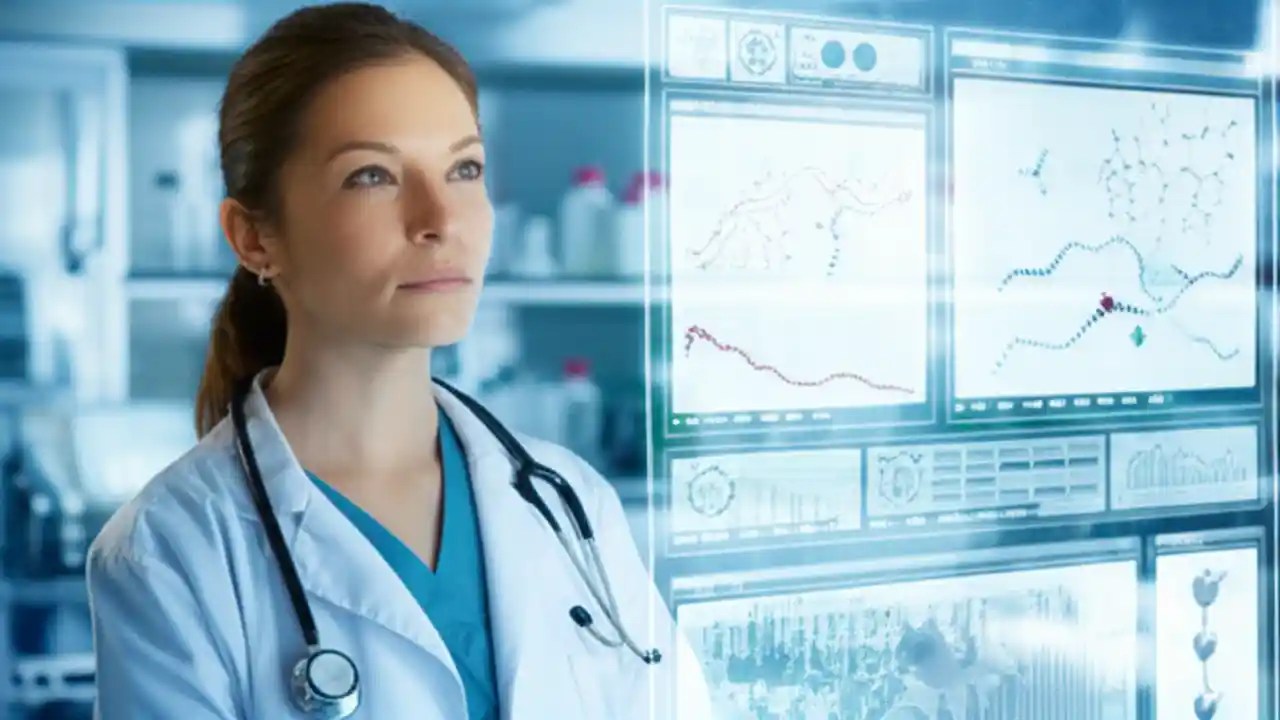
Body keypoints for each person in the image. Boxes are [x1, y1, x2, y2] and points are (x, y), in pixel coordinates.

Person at [85, 3, 711, 718]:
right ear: (255, 237)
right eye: (372, 176)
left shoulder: (569, 503)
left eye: (464, 168)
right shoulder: (170, 554)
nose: (440, 219)